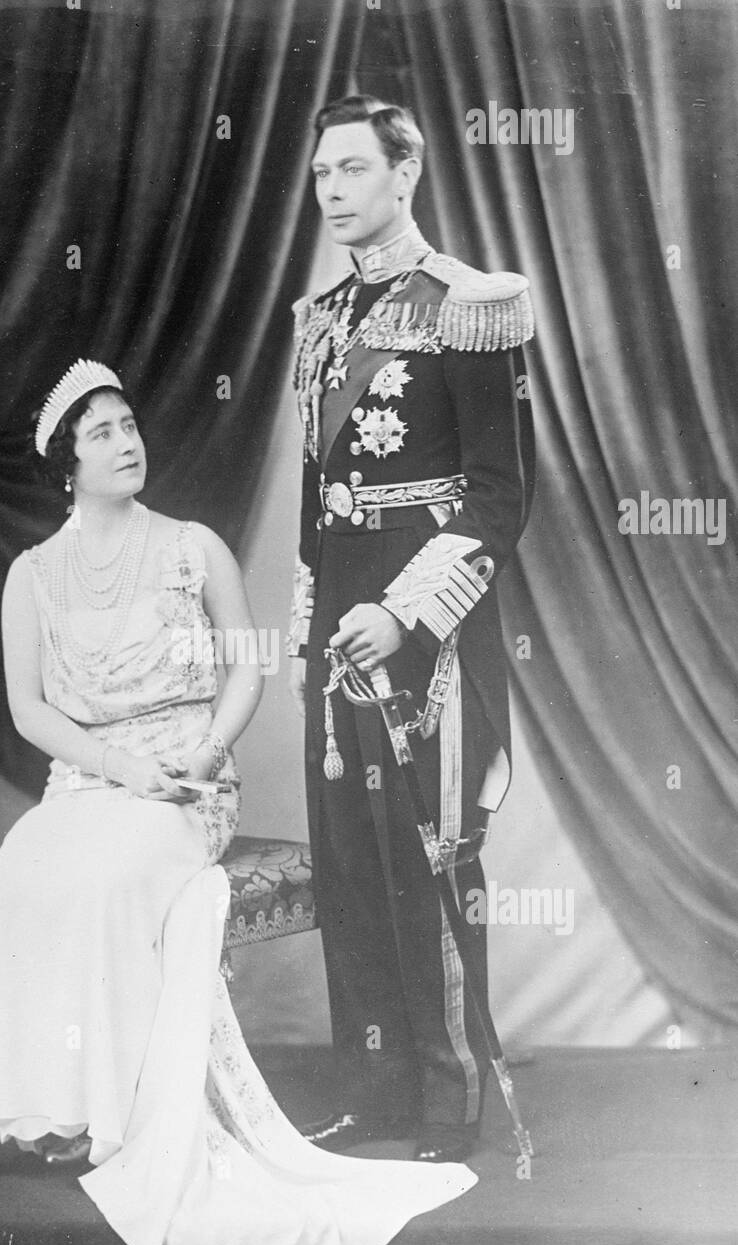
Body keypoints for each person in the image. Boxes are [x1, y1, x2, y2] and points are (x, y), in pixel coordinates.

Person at [0, 358, 477, 1245]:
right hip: (87, 776)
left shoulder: (195, 547)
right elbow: (31, 712)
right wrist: (113, 767)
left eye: (129, 424)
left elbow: (248, 671)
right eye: (101, 432)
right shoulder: (31, 576)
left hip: (190, 780)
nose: (127, 442)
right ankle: (61, 1112)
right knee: (21, 877)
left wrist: (199, 757)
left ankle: (123, 1116)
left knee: (117, 875)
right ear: (65, 463)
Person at [288, 97, 536, 1164]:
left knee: (428, 857)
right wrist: (318, 617)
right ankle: (373, 1090)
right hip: (338, 618)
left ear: (405, 173)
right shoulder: (321, 318)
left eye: (352, 169)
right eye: (320, 175)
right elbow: (318, 493)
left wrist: (403, 613)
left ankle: (445, 1101)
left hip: (425, 626)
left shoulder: (470, 306)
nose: (333, 190)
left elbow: (499, 497)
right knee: (349, 857)